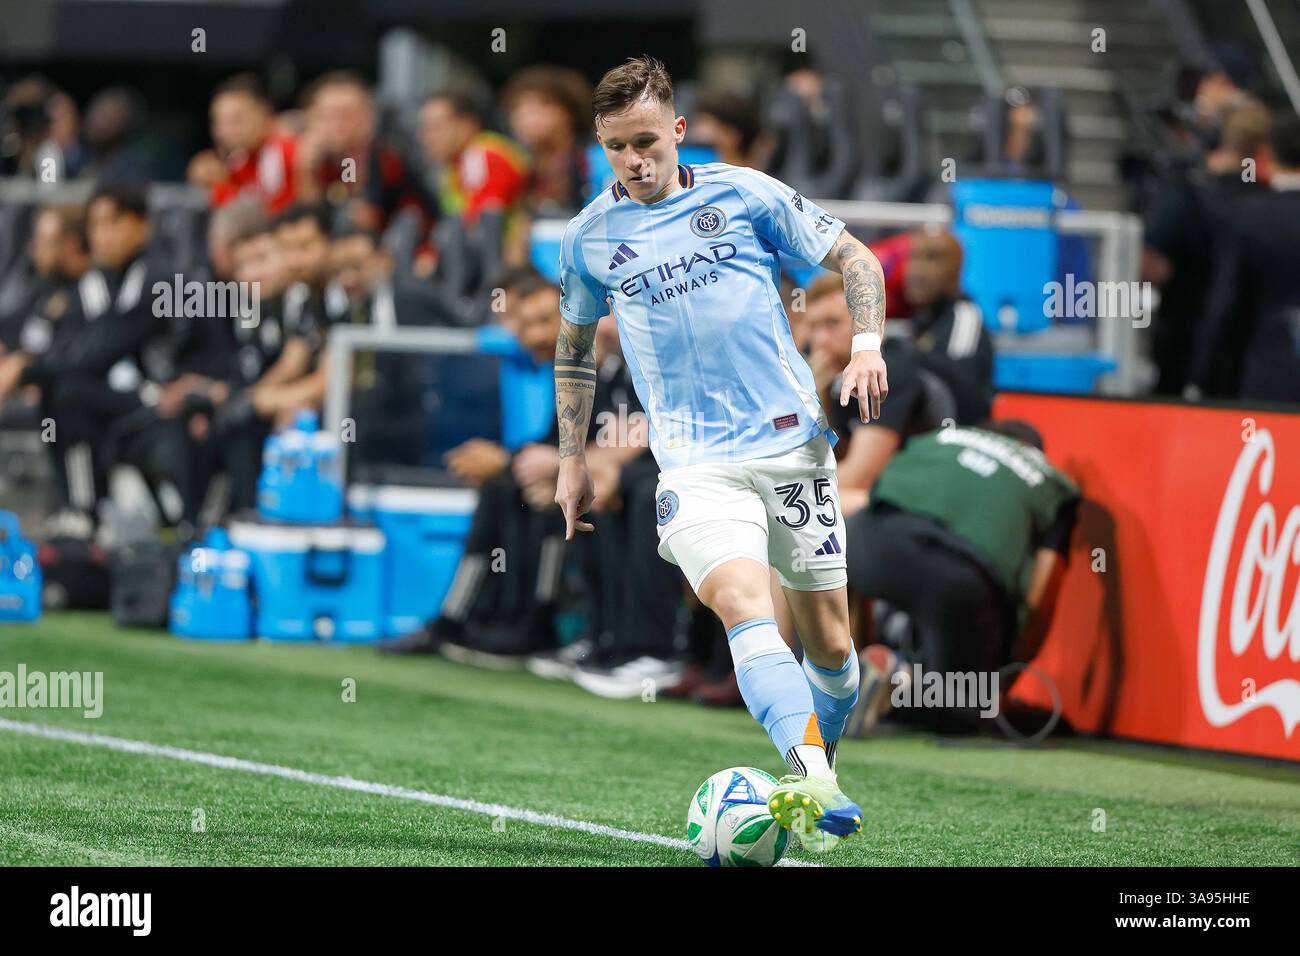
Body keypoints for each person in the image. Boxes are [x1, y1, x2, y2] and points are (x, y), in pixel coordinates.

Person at [554, 56, 889, 853]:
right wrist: (572, 457)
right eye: (614, 148)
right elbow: (572, 351)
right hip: (695, 464)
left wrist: (867, 345)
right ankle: (814, 779)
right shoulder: (589, 238)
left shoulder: (745, 193)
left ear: (677, 131)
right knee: (743, 602)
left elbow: (858, 260)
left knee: (833, 650)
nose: (633, 162)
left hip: (792, 451)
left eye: (645, 143)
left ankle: (818, 760)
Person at [843, 421, 1079, 736]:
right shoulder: (1053, 482)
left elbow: (874, 503)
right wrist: (1002, 682)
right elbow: (1041, 596)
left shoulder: (936, 439)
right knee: (965, 707)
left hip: (868, 539)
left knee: (848, 563)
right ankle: (901, 679)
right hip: (957, 574)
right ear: (1033, 452)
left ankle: (845, 674)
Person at [1144, 96, 1269, 395]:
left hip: (1182, 347)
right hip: (1250, 357)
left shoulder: (1186, 194)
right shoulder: (1268, 201)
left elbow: (1151, 267)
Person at [1186, 112, 1300, 404]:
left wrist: (1200, 378)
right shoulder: (1247, 216)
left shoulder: (1249, 217)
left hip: (1269, 375)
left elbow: (1224, 304)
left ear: (1268, 155)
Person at [193, 74, 298, 214]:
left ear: (265, 113)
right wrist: (211, 186)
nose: (228, 131)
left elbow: (276, 214)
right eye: (219, 122)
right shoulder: (235, 163)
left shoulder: (288, 152)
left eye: (237, 119)